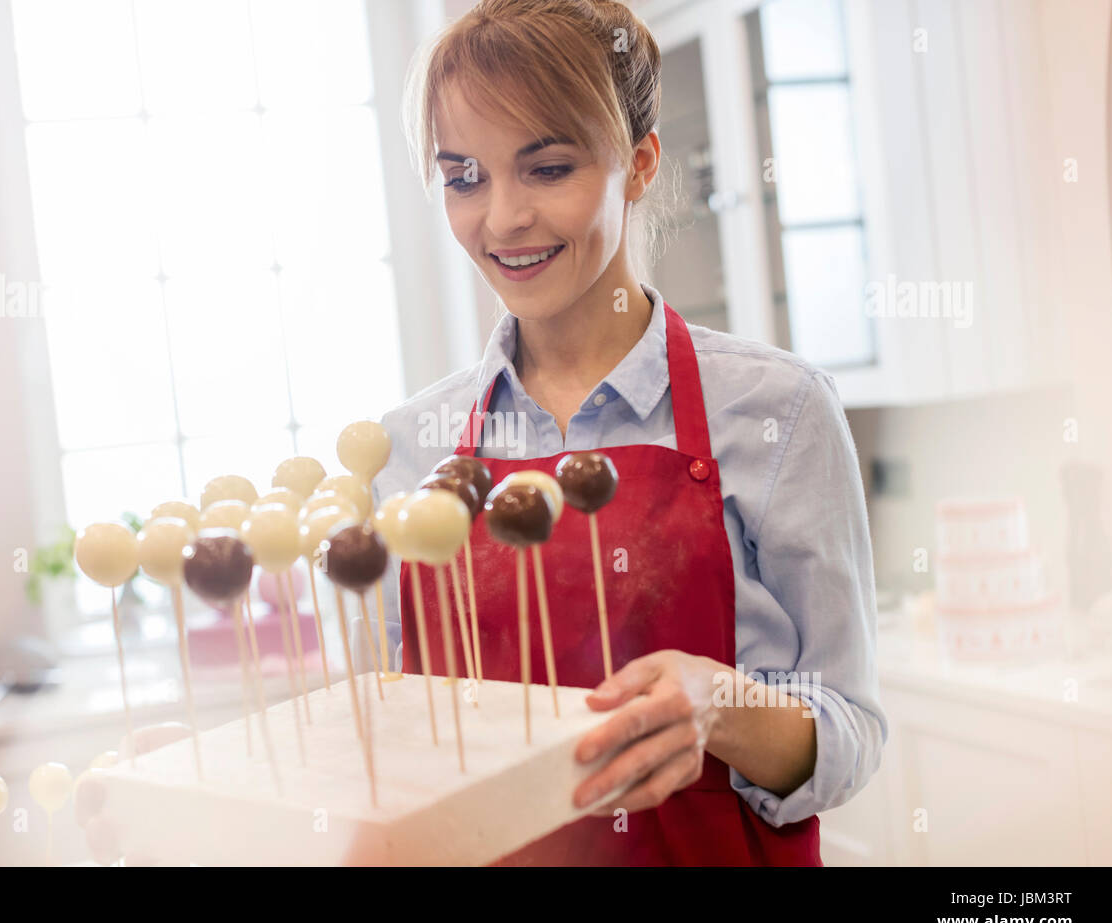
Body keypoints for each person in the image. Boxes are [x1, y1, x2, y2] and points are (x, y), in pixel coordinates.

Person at [373, 0, 886, 865]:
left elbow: (851, 735)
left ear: (639, 164)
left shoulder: (779, 410)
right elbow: (399, 755)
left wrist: (720, 704)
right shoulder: (410, 452)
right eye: (464, 176)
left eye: (548, 168)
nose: (501, 221)